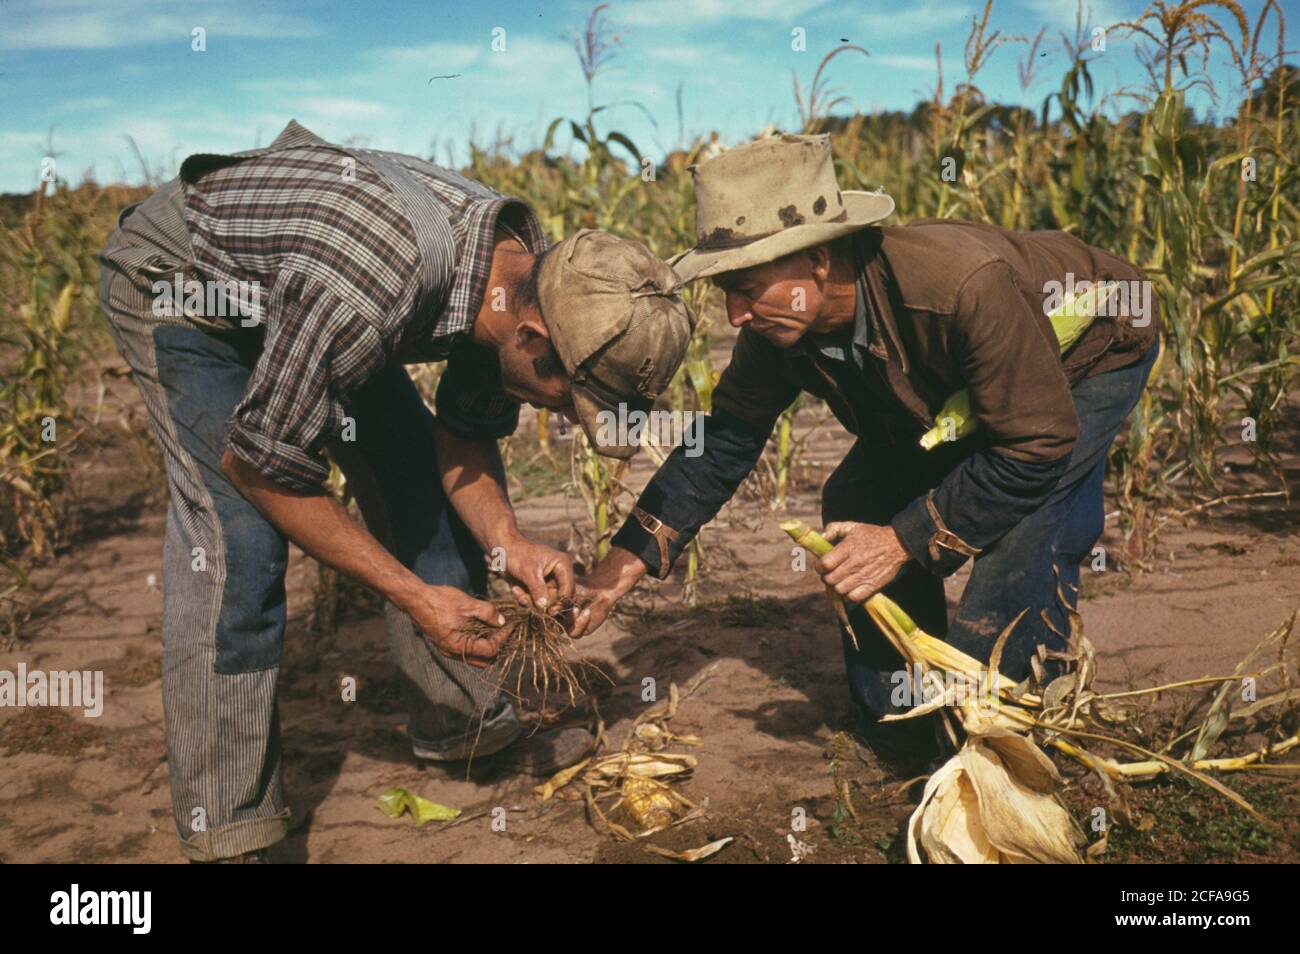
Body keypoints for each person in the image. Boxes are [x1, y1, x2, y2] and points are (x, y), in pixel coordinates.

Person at [98, 120, 693, 861]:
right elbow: (260, 468)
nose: (558, 415)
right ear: (533, 337)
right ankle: (228, 824)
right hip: (189, 287)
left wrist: (507, 543)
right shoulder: (367, 282)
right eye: (566, 398)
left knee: (415, 477)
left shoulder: (525, 276)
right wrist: (416, 596)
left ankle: (459, 721)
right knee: (237, 538)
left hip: (310, 293)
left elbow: (460, 437)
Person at [573, 132, 1158, 767]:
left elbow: (1033, 445)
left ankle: (1006, 733)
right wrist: (621, 567)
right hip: (959, 388)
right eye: (724, 294)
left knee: (1024, 534)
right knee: (855, 498)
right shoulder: (775, 335)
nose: (735, 315)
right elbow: (724, 443)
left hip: (1092, 345)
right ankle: (901, 718)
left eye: (746, 287)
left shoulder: (960, 289)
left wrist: (905, 538)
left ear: (817, 261)